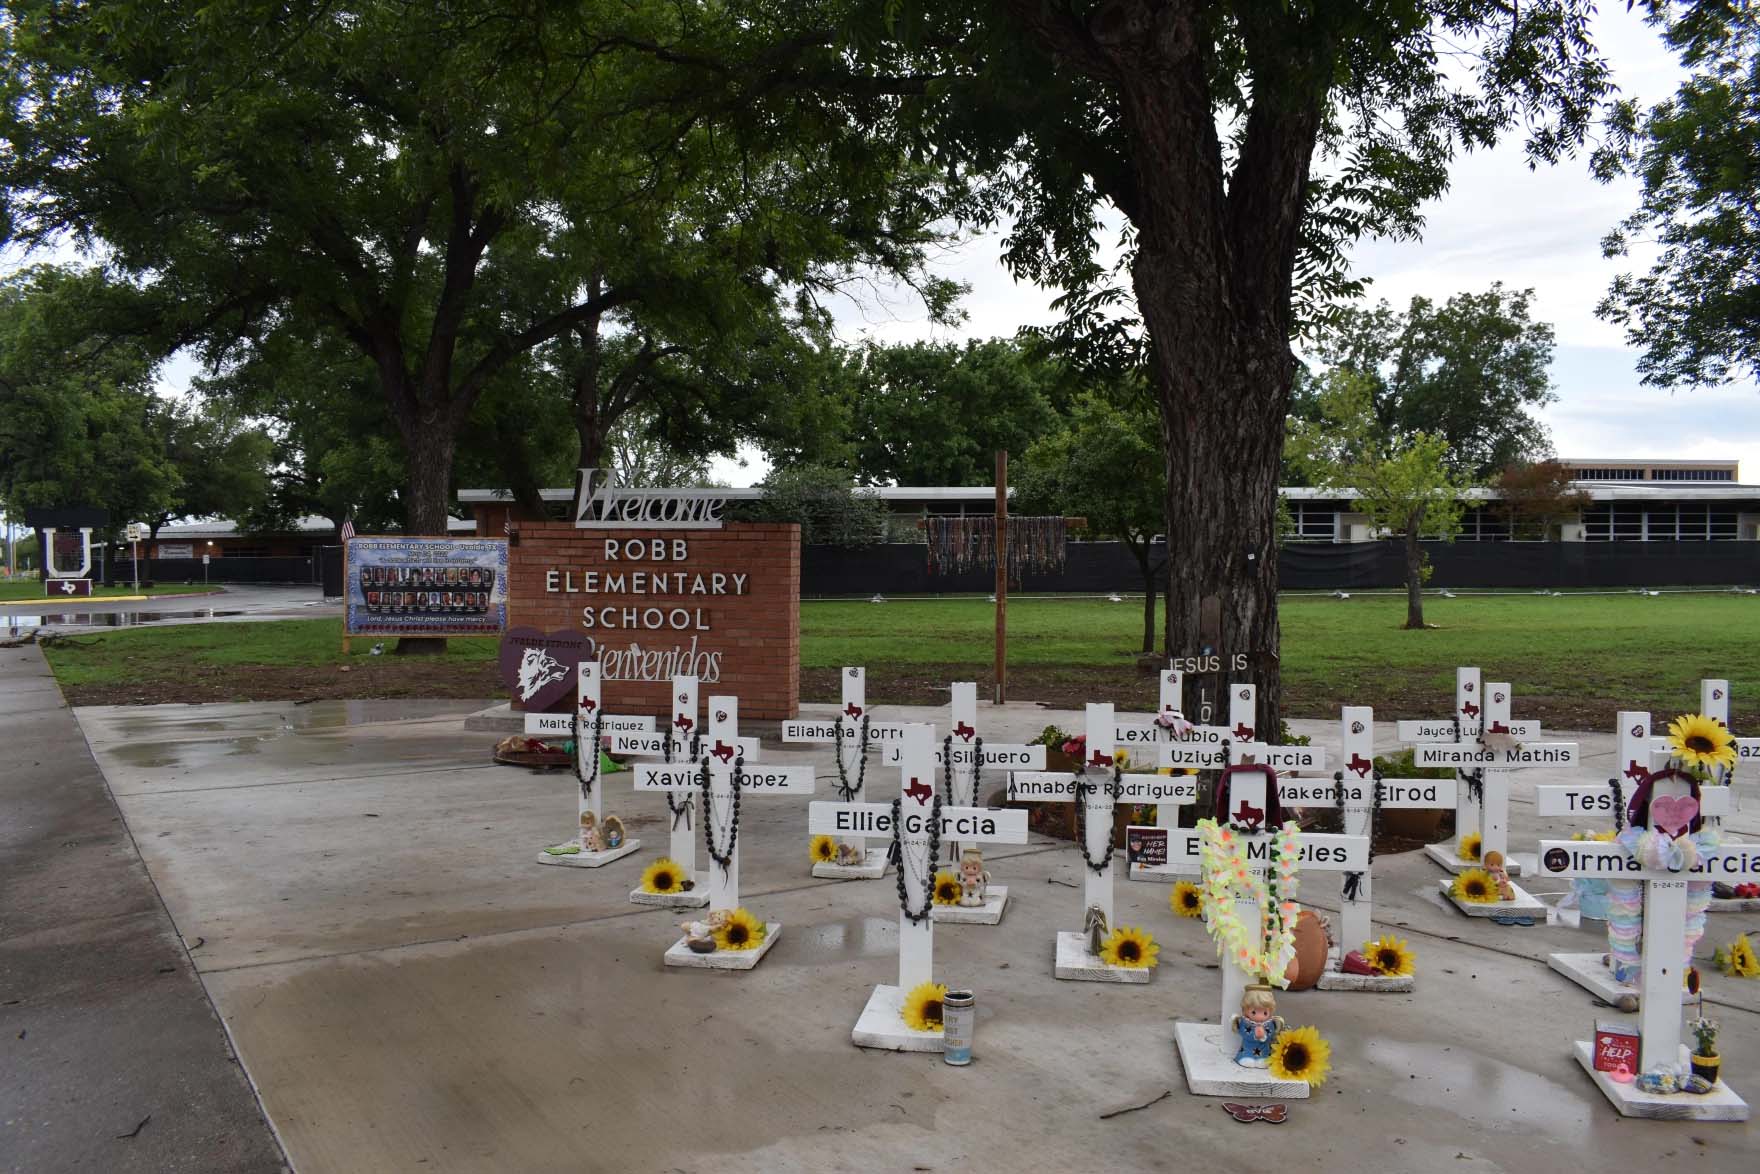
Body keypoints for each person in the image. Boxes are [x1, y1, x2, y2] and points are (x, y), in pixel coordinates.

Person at [1231, 984, 1285, 1068]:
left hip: (1264, 1050)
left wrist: (1264, 1035)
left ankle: (1262, 1058)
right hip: (1247, 1049)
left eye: (1265, 1013)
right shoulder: (1245, 1022)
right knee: (1247, 1059)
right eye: (1254, 1012)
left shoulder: (1270, 1023)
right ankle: (1246, 1057)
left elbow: (1271, 1034)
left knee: (1264, 1059)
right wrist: (1254, 1035)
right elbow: (1243, 1033)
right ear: (1245, 1010)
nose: (1259, 1016)